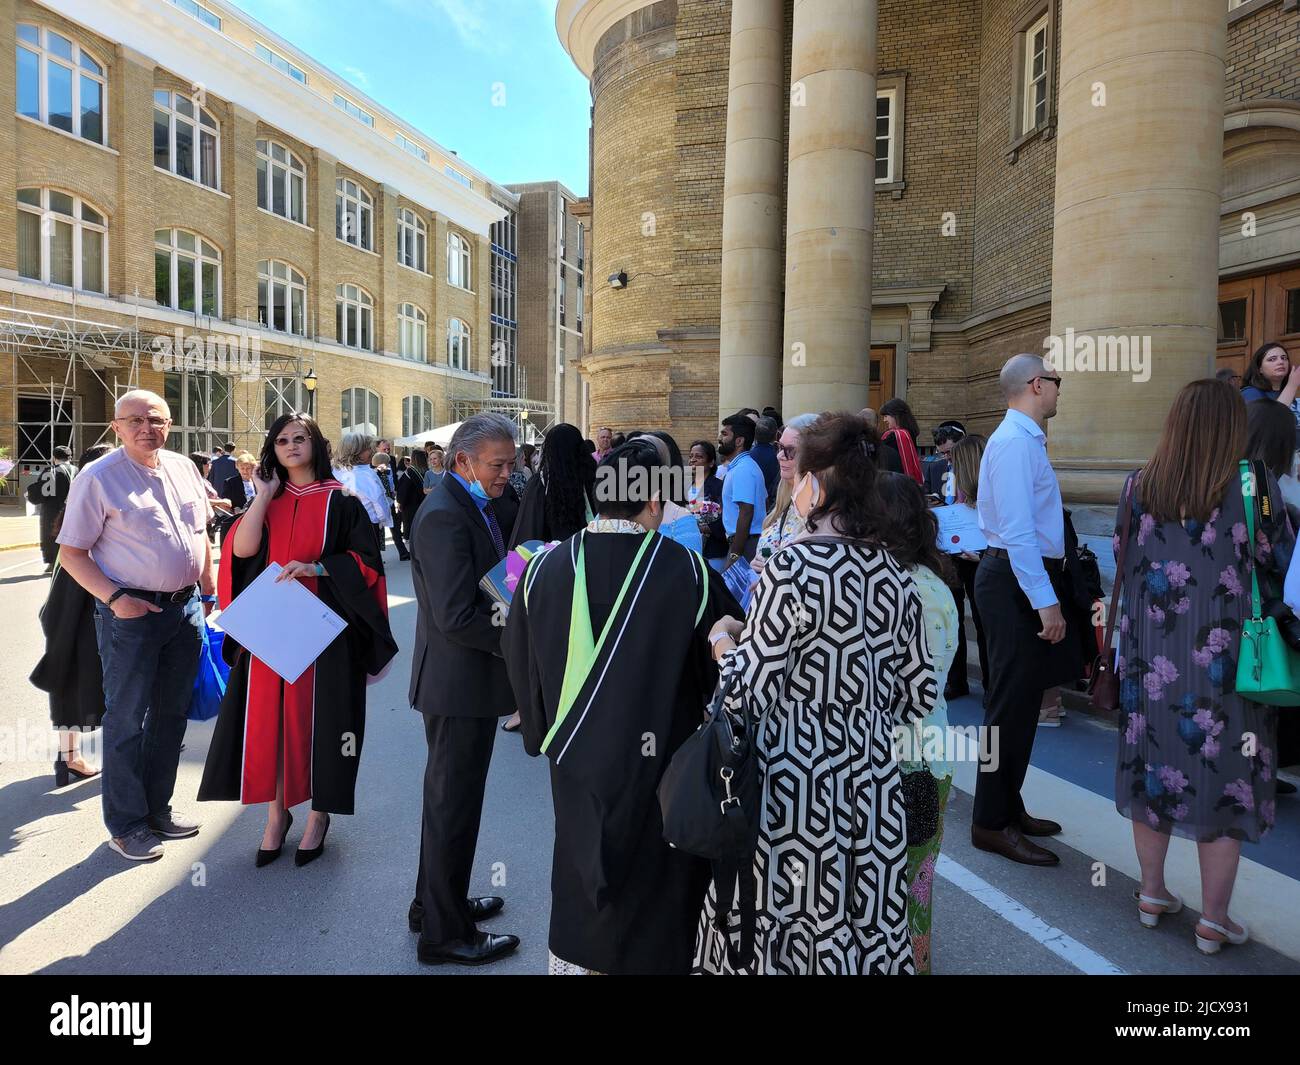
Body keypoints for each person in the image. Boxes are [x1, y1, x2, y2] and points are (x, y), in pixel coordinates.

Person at [696, 411, 938, 974]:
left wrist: (723, 641)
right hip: (873, 783)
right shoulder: (894, 573)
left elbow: (745, 691)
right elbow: (917, 693)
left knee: (792, 919)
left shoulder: (793, 567)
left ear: (818, 483)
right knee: (865, 918)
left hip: (795, 783)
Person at [503, 439, 741, 974]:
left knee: (581, 865)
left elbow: (519, 660)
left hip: (574, 755)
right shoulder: (688, 571)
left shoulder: (543, 568)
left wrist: (545, 732)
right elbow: (717, 673)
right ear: (654, 501)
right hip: (662, 764)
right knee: (656, 879)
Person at [1113, 379, 1290, 953]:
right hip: (1229, 665)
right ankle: (1214, 921)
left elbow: (1124, 556)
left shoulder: (1139, 485)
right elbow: (1279, 560)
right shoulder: (1253, 483)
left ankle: (1151, 892)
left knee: (1150, 775)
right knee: (1225, 787)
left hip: (1149, 661)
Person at [198, 414, 397, 866]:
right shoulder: (268, 499)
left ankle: (319, 815)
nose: (290, 445)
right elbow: (241, 551)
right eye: (282, 440)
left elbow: (367, 562)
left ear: (317, 444)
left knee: (325, 722)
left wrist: (318, 567)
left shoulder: (342, 500)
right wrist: (263, 495)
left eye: (300, 438)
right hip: (272, 626)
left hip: (325, 625)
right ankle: (276, 813)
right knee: (271, 722)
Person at [56, 390, 215, 862]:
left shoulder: (184, 467)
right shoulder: (98, 477)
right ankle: (125, 825)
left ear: (170, 425)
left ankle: (157, 811)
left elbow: (200, 533)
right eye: (136, 420)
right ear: (116, 426)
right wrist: (116, 599)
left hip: (185, 611)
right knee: (126, 720)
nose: (148, 428)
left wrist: (207, 592)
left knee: (170, 716)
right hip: (131, 616)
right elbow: (72, 552)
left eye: (158, 419)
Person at [408, 413, 522, 966]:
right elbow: (456, 617)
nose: (508, 473)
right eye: (498, 464)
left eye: (511, 462)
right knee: (453, 806)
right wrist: (519, 641)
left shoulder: (468, 503)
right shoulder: (445, 515)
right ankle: (443, 933)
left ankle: (434, 906)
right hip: (458, 684)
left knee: (450, 803)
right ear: (464, 462)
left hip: (464, 681)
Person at [971, 354, 1080, 867]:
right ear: (1038, 384)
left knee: (1020, 704)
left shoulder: (1023, 439)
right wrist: (1047, 603)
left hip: (1019, 579)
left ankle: (1007, 806)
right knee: (1008, 708)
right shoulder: (1016, 442)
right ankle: (991, 823)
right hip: (1017, 581)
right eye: (1056, 382)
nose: (1060, 390)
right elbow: (1017, 533)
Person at [874, 471, 960, 975]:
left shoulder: (898, 590)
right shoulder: (930, 584)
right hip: (928, 755)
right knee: (914, 882)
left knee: (899, 887)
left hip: (902, 762)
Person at [32, 444, 113, 788]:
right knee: (120, 676)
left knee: (69, 675)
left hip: (66, 604)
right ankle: (130, 750)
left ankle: (69, 758)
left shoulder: (73, 508)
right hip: (93, 599)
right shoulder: (106, 505)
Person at [1244, 400, 1300, 796]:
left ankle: (1251, 768)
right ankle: (1257, 771)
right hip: (1267, 606)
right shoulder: (1264, 483)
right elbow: (1277, 552)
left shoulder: (1228, 474)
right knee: (1265, 691)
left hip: (1233, 605)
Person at [946, 433, 990, 701]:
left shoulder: (992, 491)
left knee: (984, 626)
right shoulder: (963, 486)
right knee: (954, 620)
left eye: (953, 458)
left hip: (981, 562)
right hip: (960, 557)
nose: (948, 463)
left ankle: (990, 686)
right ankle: (957, 681)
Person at [752, 412, 819, 576]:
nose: (780, 456)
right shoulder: (786, 497)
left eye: (790, 451)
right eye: (779, 447)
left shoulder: (823, 510)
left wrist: (773, 573)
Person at [332, 431, 392, 554]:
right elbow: (379, 501)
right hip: (366, 526)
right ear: (356, 452)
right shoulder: (366, 474)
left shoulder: (335, 471)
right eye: (368, 449)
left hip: (340, 527)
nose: (372, 452)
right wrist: (384, 520)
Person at [717, 413, 766, 565]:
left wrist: (734, 556)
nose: (720, 438)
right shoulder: (740, 467)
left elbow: (746, 512)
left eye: (725, 434)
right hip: (743, 542)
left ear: (739, 441)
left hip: (745, 545)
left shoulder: (743, 469)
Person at [28, 445, 76, 573]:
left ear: (54, 458)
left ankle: (53, 562)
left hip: (53, 511)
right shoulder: (78, 470)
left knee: (51, 536)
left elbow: (39, 494)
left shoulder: (51, 471)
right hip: (74, 511)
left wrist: (30, 492)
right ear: (70, 457)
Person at [1240, 341, 1300, 429]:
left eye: (1284, 358)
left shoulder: (1288, 393)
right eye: (1272, 359)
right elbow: (1268, 423)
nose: (1280, 362)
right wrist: (1292, 386)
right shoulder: (1250, 393)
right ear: (1260, 369)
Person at [688, 440, 728, 567]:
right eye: (691, 456)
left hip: (712, 552)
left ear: (711, 462)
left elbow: (724, 520)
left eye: (698, 456)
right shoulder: (685, 486)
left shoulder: (718, 487)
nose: (693, 460)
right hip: (689, 550)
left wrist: (699, 526)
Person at [373, 451, 409, 561]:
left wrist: (393, 493)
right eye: (387, 462)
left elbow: (392, 485)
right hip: (379, 505)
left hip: (390, 503)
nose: (389, 465)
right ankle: (377, 556)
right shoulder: (373, 474)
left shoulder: (388, 472)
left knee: (396, 529)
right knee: (378, 532)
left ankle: (403, 553)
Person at [879, 398, 924, 483]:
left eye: (886, 416)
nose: (884, 420)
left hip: (892, 481)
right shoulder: (909, 433)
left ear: (895, 415)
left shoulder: (894, 436)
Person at [923, 421, 966, 500]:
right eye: (942, 453)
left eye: (949, 451)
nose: (946, 457)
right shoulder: (934, 468)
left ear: (962, 445)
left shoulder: (975, 468)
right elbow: (925, 496)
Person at [397, 448, 428, 543]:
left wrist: (400, 502)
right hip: (424, 503)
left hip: (411, 505)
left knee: (411, 529)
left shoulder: (409, 472)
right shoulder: (428, 471)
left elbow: (403, 490)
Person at [749, 416, 781, 510]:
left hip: (753, 505)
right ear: (776, 434)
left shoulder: (747, 457)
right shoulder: (780, 457)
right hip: (773, 504)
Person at [860, 408, 903, 473]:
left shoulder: (847, 454)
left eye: (886, 416)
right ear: (877, 426)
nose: (884, 420)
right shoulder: (892, 454)